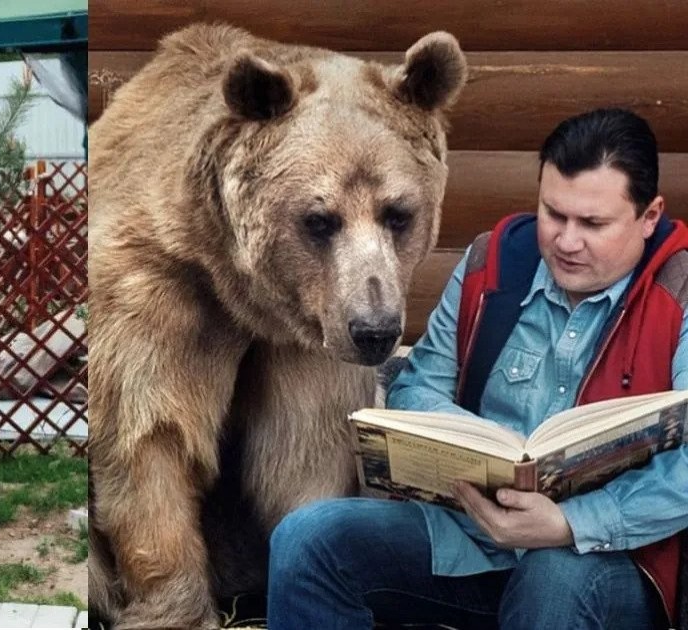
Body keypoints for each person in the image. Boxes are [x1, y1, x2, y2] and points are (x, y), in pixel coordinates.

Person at [267, 108, 688, 629]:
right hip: (470, 533)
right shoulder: (493, 262)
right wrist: (473, 446)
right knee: (309, 539)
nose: (566, 241)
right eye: (553, 214)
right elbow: (418, 385)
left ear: (650, 217)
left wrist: (566, 524)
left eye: (593, 224)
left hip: (606, 559)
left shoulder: (681, 290)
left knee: (551, 578)